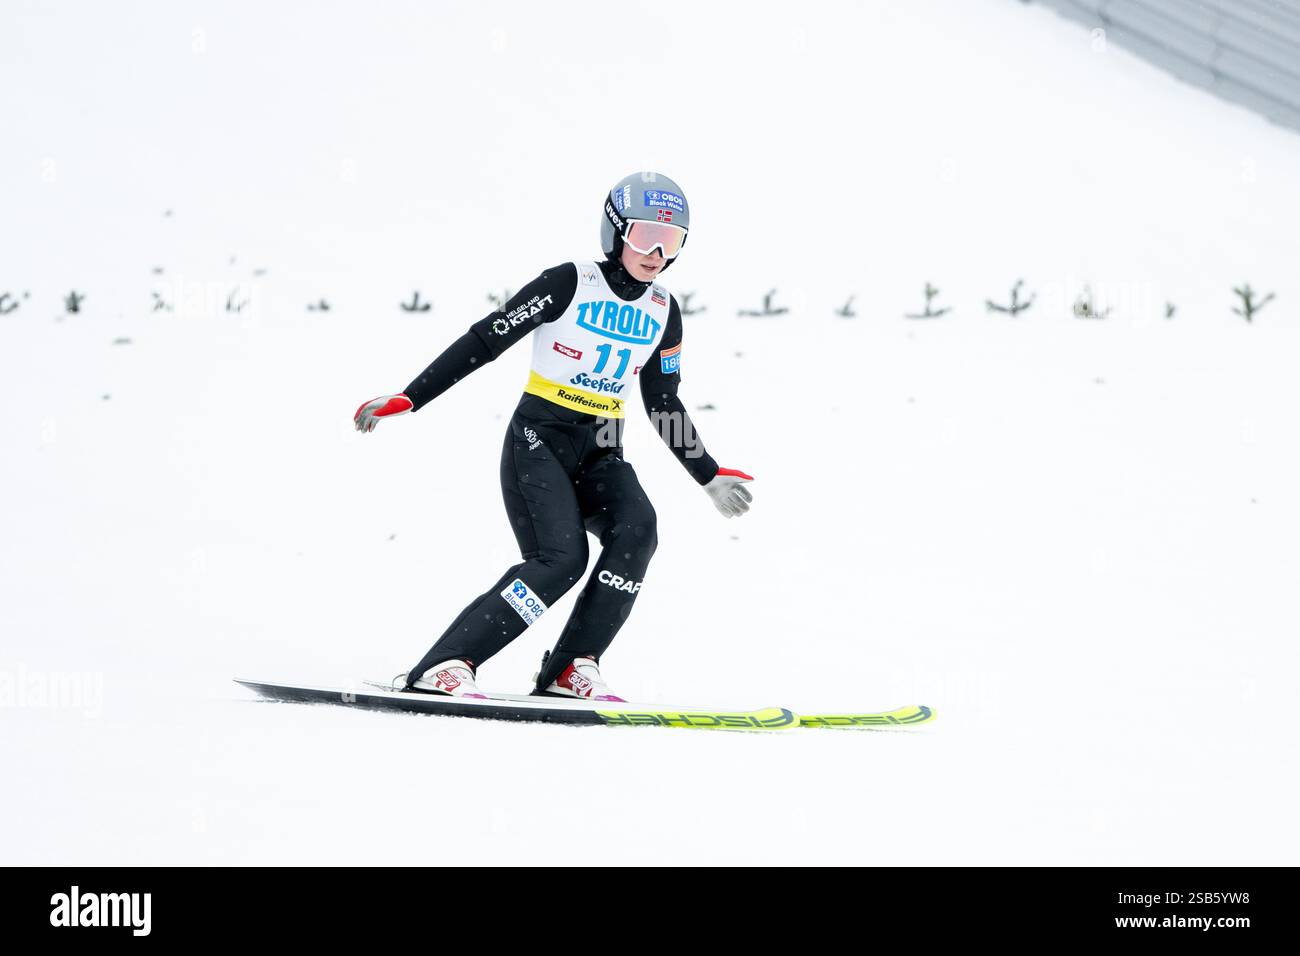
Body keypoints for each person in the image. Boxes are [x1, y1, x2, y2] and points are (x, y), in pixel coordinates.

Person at [353, 172, 753, 702]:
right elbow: (487, 339)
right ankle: (444, 664)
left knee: (638, 529)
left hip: (604, 441)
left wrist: (709, 473)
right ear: (614, 232)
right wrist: (412, 397)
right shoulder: (568, 282)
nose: (655, 252)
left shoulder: (664, 311)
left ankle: (571, 667)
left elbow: (662, 403)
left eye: (671, 240)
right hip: (540, 434)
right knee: (560, 560)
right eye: (642, 236)